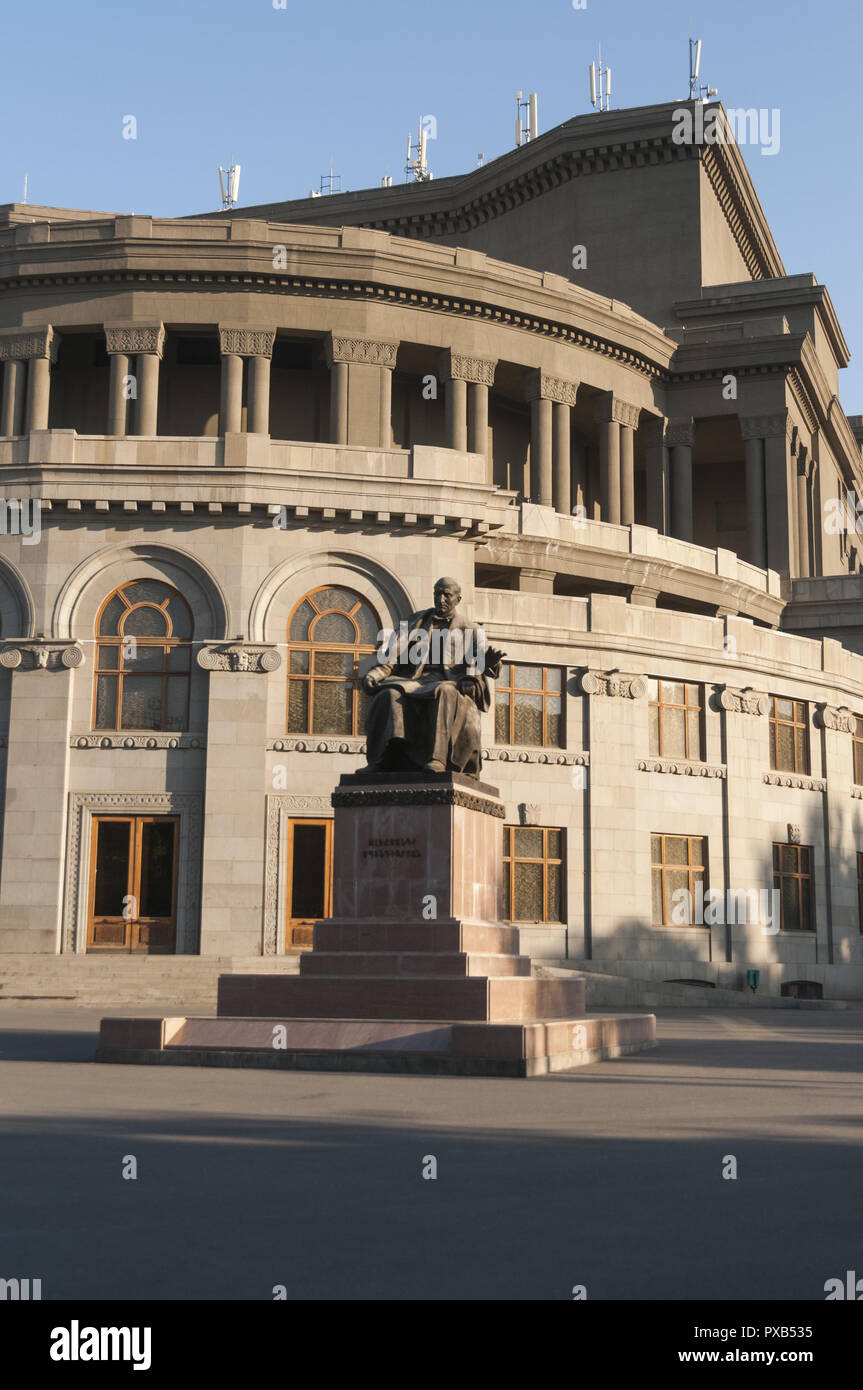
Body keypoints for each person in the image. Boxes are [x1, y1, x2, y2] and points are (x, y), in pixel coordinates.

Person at [362, 577, 504, 776]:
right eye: (438, 593)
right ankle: (384, 758)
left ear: (458, 599)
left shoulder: (471, 630)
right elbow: (391, 656)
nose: (441, 599)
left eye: (447, 595)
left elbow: (478, 665)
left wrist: (489, 663)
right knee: (389, 693)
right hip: (414, 681)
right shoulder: (414, 621)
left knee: (444, 691)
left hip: (448, 682)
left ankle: (437, 758)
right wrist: (376, 673)